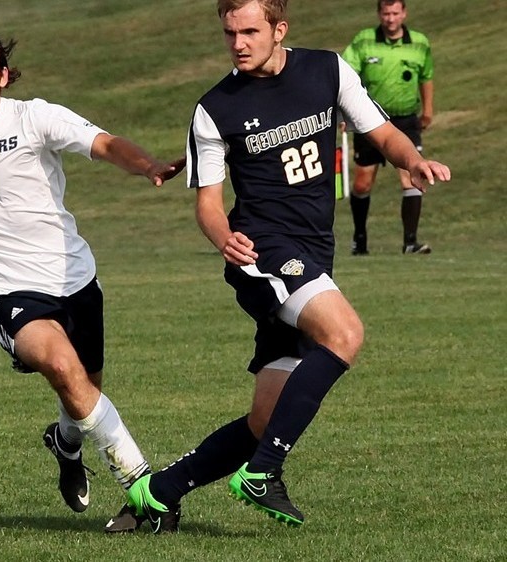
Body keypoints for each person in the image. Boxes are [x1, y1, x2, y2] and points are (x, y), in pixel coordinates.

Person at [123, 0, 451, 531]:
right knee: (344, 334)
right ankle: (263, 473)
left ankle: (157, 493)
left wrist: (412, 159)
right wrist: (224, 238)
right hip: (262, 252)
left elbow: (382, 132)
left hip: (315, 251)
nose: (239, 43)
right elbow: (208, 203)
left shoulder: (326, 70)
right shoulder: (214, 108)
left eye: (250, 31)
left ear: (279, 29)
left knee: (265, 417)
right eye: (230, 33)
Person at [0, 26, 184, 528]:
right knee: (65, 370)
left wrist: (146, 164)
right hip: (6, 293)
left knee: (84, 391)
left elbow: (104, 143)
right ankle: (144, 490)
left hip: (75, 277)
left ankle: (65, 445)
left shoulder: (35, 117)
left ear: (3, 74)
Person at [341, 0, 436, 255]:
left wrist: (427, 110)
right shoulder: (364, 41)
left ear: (404, 13)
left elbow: (426, 77)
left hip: (406, 119)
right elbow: (346, 76)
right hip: (369, 120)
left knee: (412, 176)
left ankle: (410, 242)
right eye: (386, 13)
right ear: (379, 14)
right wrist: (343, 112)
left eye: (395, 13)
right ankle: (359, 241)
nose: (391, 19)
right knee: (362, 184)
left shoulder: (419, 43)